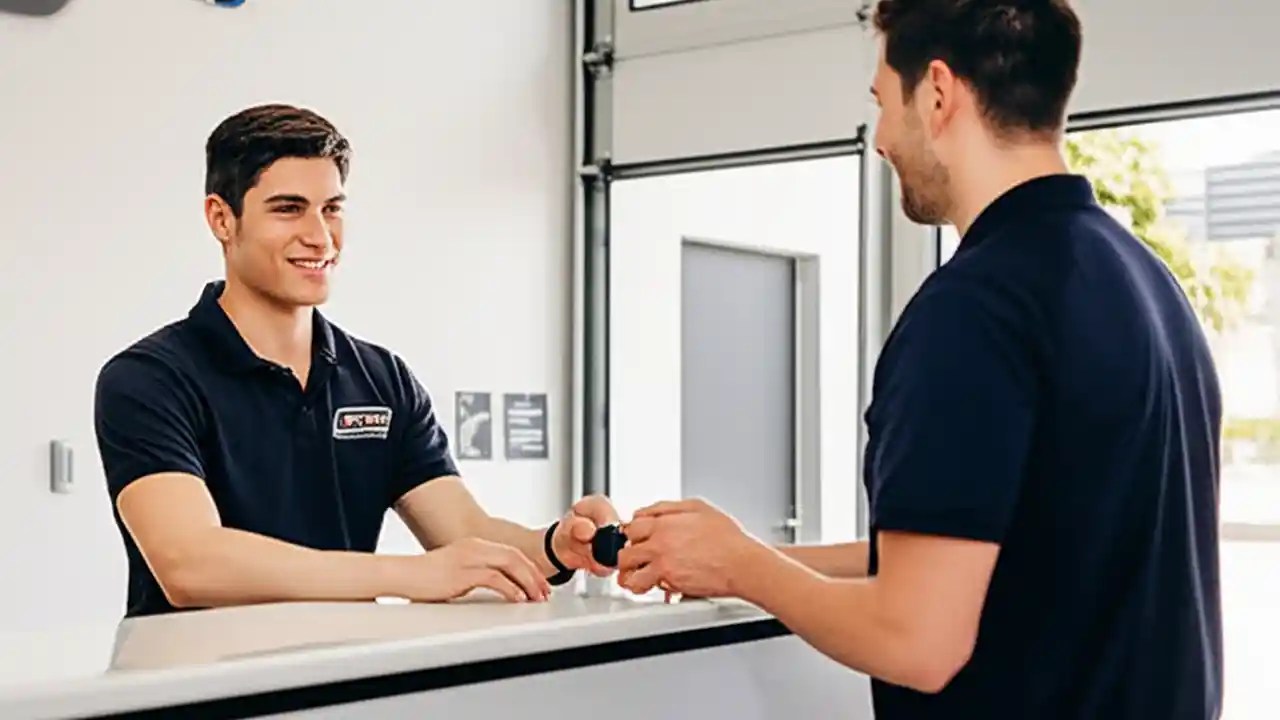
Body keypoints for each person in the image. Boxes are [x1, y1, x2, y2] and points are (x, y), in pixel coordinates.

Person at [617, 1, 1223, 718]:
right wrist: (729, 557)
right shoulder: (1148, 285)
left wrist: (746, 567)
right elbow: (973, 552)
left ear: (937, 93)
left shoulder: (974, 308)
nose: (880, 140)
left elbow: (918, 641)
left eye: (882, 102)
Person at [94, 104, 618, 618]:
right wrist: (410, 575)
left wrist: (554, 547)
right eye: (288, 208)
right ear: (221, 218)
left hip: (342, 685)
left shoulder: (381, 379)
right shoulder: (148, 380)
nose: (320, 236)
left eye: (332, 208)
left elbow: (465, 535)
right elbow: (191, 565)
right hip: (195, 691)